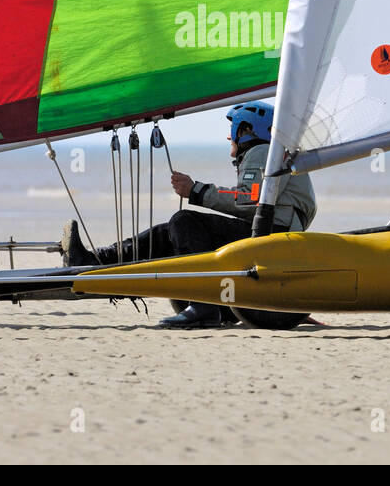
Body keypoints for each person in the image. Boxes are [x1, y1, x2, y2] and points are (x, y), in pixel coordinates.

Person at [61, 101, 318, 329]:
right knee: (169, 232)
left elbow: (249, 200)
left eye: (233, 130)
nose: (229, 137)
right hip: (272, 240)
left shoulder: (263, 151)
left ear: (246, 129)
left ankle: (203, 307)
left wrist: (196, 190)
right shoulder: (274, 154)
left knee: (184, 222)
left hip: (271, 241)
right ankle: (97, 260)